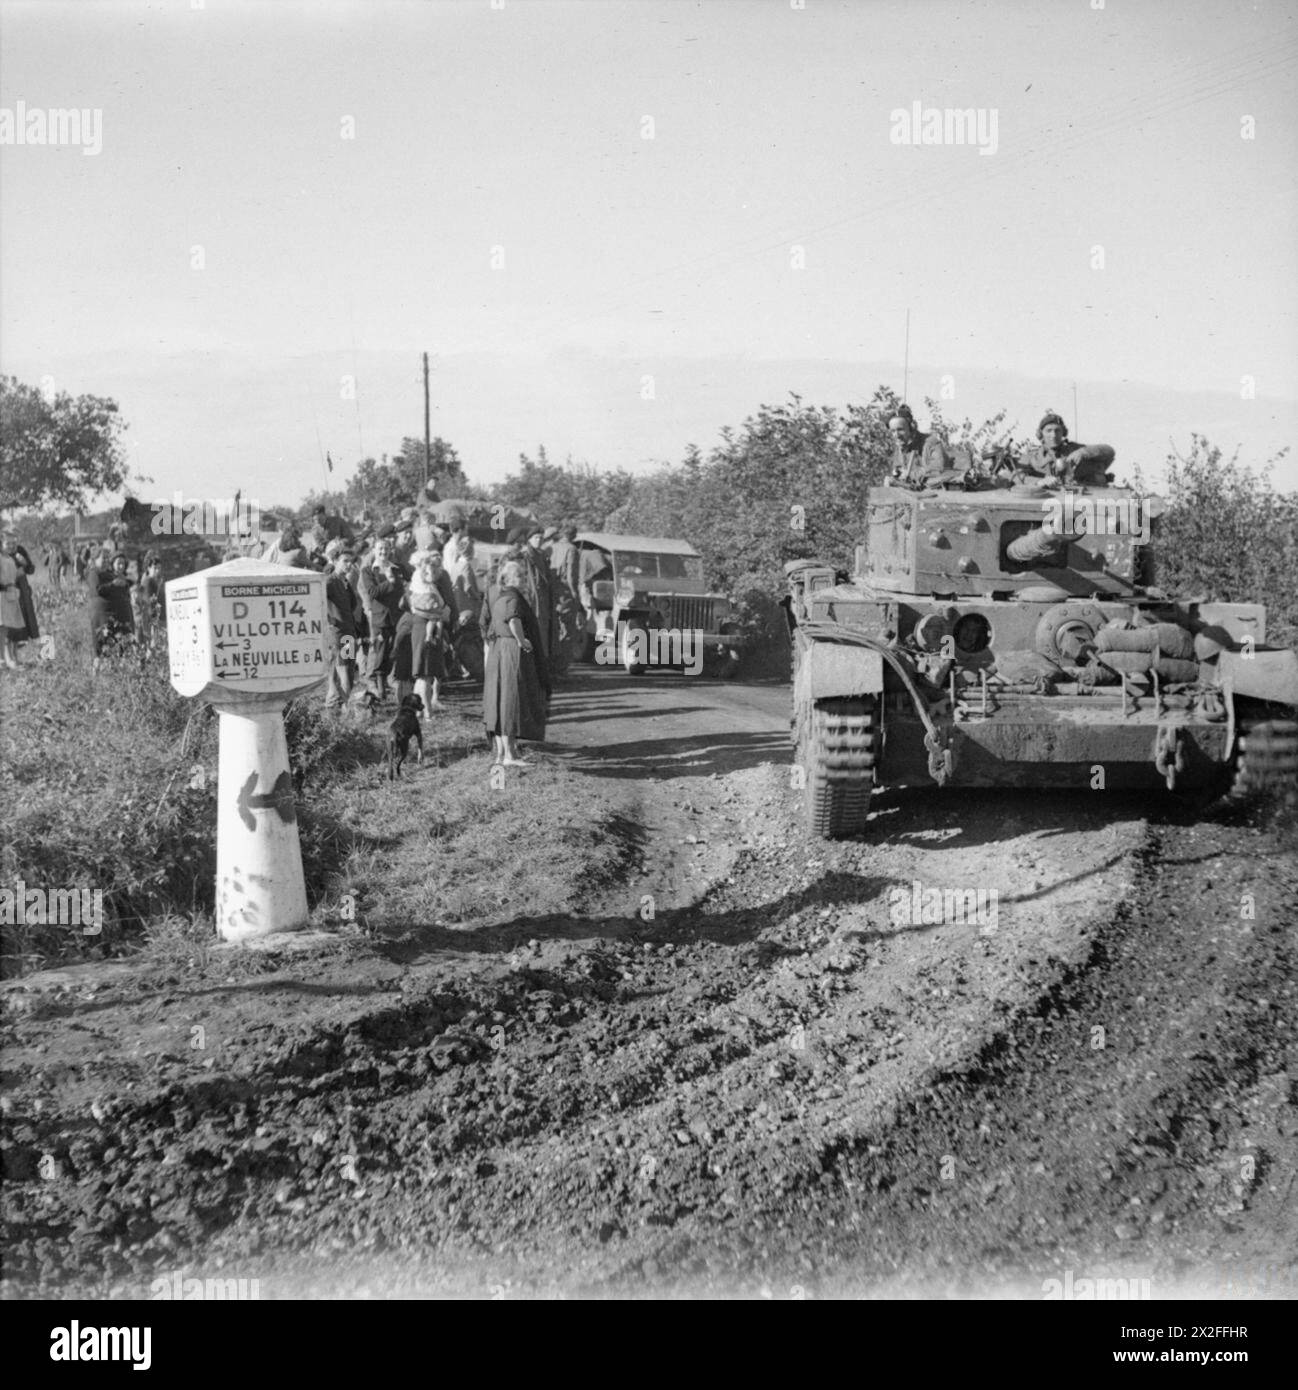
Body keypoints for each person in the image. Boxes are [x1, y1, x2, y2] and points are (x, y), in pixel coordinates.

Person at [483, 558, 551, 766]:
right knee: (511, 700)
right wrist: (523, 641)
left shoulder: (498, 596)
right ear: (509, 578)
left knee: (500, 701)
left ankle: (502, 754)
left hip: (499, 651)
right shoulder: (513, 597)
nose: (523, 579)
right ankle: (510, 756)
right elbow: (513, 619)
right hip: (511, 651)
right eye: (520, 576)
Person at [395, 544, 456, 711]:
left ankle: (419, 709)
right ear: (420, 564)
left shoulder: (424, 581)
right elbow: (426, 608)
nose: (430, 568)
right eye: (427, 563)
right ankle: (426, 710)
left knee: (425, 674)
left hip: (427, 627)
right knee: (424, 674)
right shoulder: (420, 582)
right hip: (423, 628)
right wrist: (442, 612)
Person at [358, 531, 407, 700]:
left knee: (395, 650)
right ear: (374, 550)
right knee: (380, 652)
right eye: (380, 549)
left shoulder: (397, 568)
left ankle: (391, 681)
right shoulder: (368, 571)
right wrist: (390, 582)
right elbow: (372, 592)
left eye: (386, 549)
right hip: (380, 618)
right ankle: (379, 688)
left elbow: (405, 587)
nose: (383, 552)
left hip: (397, 617)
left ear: (390, 550)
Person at [1022, 410, 1116, 486]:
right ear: (1041, 434)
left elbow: (1109, 451)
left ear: (1063, 432)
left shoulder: (1075, 449)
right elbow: (1015, 476)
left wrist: (1083, 452)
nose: (1053, 435)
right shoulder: (1033, 457)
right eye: (1049, 431)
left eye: (1057, 430)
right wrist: (1039, 482)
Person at [323, 541, 360, 710]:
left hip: (348, 634)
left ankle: (335, 711)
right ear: (335, 561)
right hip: (338, 635)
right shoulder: (330, 582)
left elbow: (351, 606)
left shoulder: (345, 582)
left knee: (347, 675)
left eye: (351, 561)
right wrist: (329, 620)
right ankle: (343, 712)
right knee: (343, 675)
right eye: (345, 561)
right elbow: (317, 601)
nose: (349, 564)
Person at [888, 405, 953, 486]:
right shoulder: (899, 448)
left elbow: (940, 468)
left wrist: (911, 474)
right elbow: (898, 472)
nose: (896, 435)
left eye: (900, 430)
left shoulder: (931, 443)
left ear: (911, 427)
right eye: (892, 431)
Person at [547, 523, 581, 675]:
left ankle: (552, 663)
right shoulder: (572, 549)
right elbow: (571, 575)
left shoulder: (552, 547)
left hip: (552, 592)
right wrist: (575, 595)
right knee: (568, 630)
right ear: (574, 535)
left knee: (555, 628)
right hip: (565, 592)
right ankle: (561, 667)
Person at [89, 550, 135, 656]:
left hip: (116, 617)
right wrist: (113, 584)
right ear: (95, 560)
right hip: (102, 618)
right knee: (103, 648)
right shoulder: (94, 573)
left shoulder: (108, 575)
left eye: (106, 558)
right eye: (103, 558)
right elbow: (98, 590)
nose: (105, 561)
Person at [133, 553, 164, 653]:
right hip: (147, 620)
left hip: (145, 619)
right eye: (155, 568)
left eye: (159, 568)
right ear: (148, 568)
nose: (157, 571)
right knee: (149, 649)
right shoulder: (148, 581)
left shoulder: (149, 580)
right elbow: (149, 604)